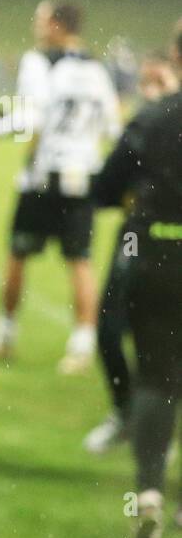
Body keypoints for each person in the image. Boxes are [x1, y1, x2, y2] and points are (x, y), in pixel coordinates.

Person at [0, 1, 121, 374]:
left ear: (55, 24)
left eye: (40, 19)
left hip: (43, 179)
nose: (36, 26)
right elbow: (114, 126)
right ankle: (82, 347)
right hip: (82, 179)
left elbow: (29, 119)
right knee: (80, 260)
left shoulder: (39, 63)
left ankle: (3, 336)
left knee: (18, 254)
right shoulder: (98, 69)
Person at [93, 22, 182, 538]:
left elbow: (106, 187)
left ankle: (149, 493)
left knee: (156, 378)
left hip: (159, 257)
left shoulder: (154, 117)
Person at [84, 49, 178, 454]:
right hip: (139, 238)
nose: (151, 92)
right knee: (108, 331)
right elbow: (106, 186)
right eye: (146, 84)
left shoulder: (158, 122)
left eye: (160, 83)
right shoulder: (149, 124)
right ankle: (126, 412)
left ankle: (158, 431)